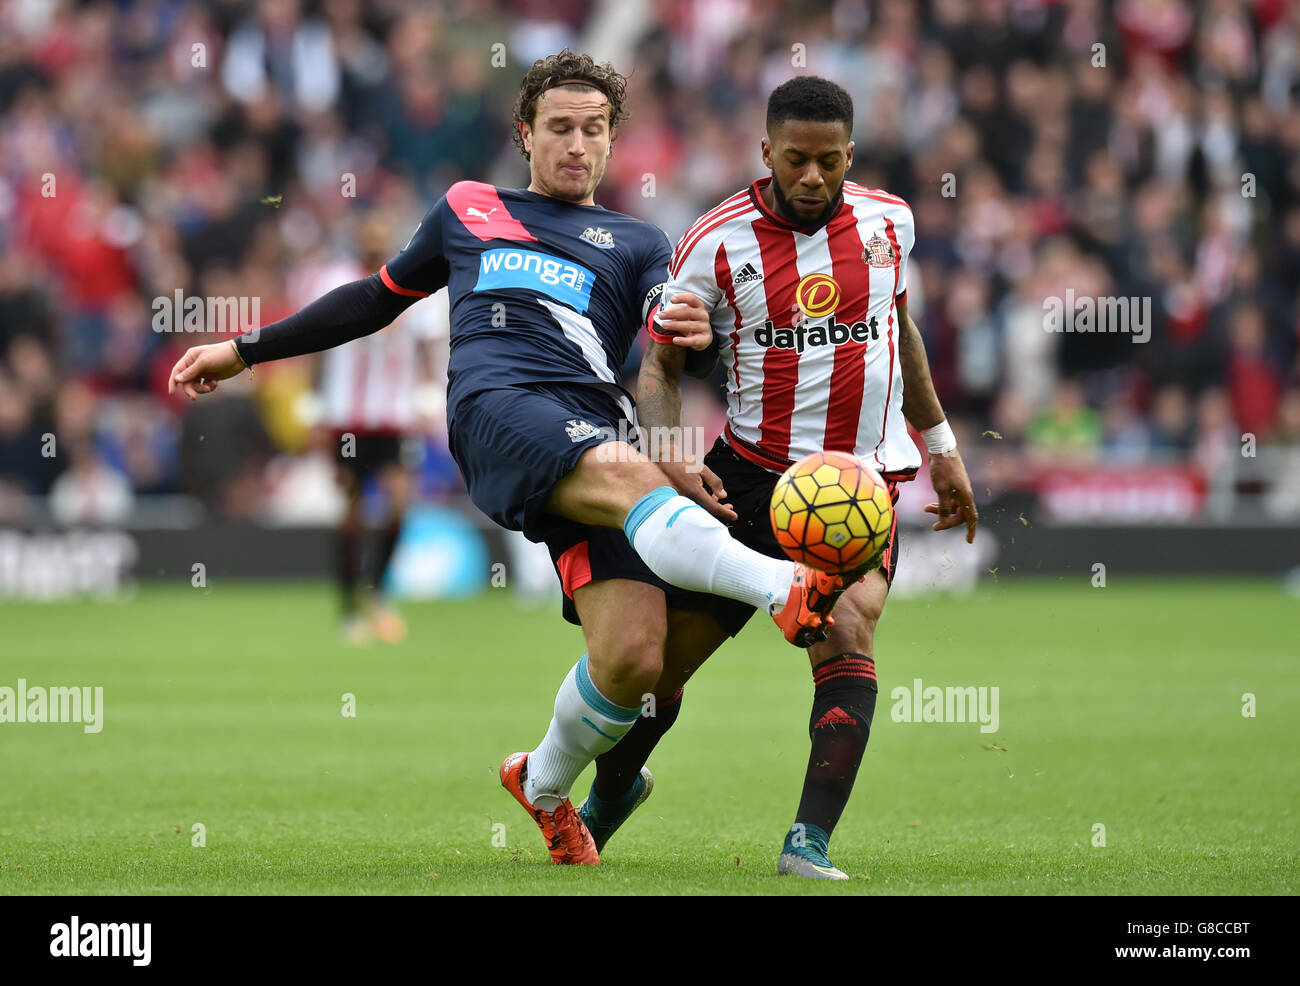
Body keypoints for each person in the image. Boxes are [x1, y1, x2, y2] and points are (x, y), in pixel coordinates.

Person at [167, 51, 851, 867]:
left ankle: (545, 782)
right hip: (499, 407)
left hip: (599, 432)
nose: (576, 145)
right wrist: (244, 350)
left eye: (593, 130)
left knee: (634, 660)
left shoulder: (638, 241)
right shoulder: (469, 208)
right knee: (632, 481)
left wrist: (692, 337)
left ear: (610, 142)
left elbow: (672, 349)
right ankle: (781, 586)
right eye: (559, 128)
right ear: (526, 134)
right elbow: (372, 300)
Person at [576, 76, 979, 880]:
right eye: (795, 160)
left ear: (850, 155)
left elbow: (901, 332)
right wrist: (674, 456)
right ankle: (613, 793)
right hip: (746, 483)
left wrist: (941, 446)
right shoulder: (715, 241)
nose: (812, 177)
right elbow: (658, 369)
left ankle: (809, 840)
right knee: (659, 669)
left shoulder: (889, 222)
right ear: (766, 151)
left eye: (829, 161)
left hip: (857, 488)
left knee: (848, 634)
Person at [296, 211, 442, 644]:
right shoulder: (333, 281)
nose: (374, 244)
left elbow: (428, 349)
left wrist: (430, 397)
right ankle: (348, 607)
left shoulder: (416, 287)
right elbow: (312, 340)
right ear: (357, 239)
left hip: (394, 417)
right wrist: (312, 405)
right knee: (351, 512)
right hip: (344, 417)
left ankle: (376, 593)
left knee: (399, 503)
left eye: (382, 237)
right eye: (368, 236)